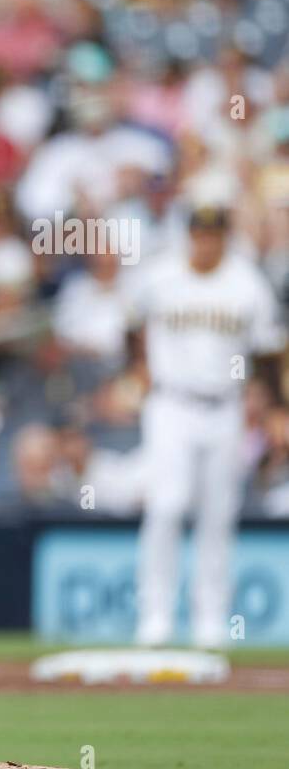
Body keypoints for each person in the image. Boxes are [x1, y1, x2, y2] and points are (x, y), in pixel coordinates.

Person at [132, 205, 286, 649]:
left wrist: (275, 406)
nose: (206, 242)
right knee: (167, 505)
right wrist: (138, 367)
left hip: (227, 407)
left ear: (224, 237)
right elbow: (130, 324)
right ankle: (155, 616)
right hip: (170, 403)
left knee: (218, 515)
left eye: (213, 235)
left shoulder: (247, 283)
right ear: (189, 235)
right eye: (199, 234)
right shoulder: (160, 276)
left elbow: (268, 351)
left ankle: (211, 619)